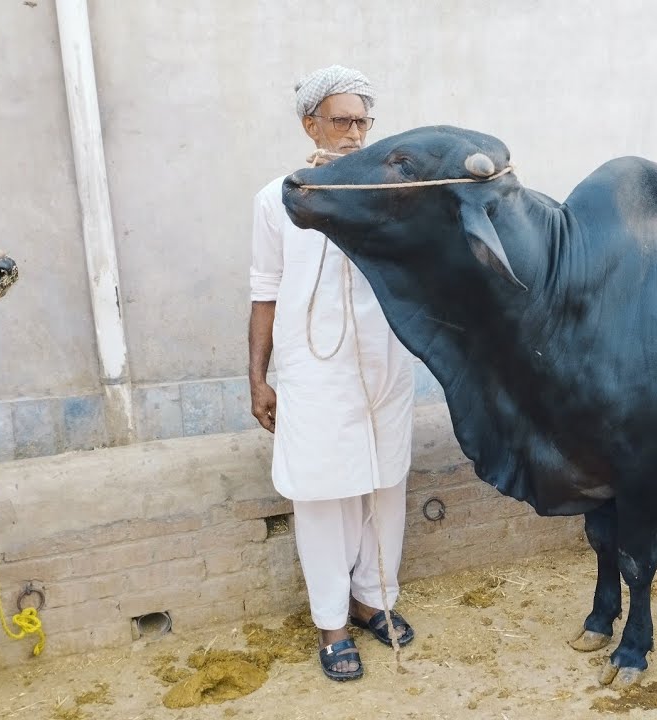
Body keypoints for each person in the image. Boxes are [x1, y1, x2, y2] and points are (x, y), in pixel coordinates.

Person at [248, 64, 416, 681]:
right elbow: (264, 289)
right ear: (309, 124)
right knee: (321, 492)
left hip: (385, 363)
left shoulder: (390, 196)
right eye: (342, 121)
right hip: (313, 370)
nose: (355, 134)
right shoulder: (277, 197)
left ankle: (374, 599)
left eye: (363, 122)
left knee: (385, 484)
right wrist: (258, 377)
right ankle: (331, 624)